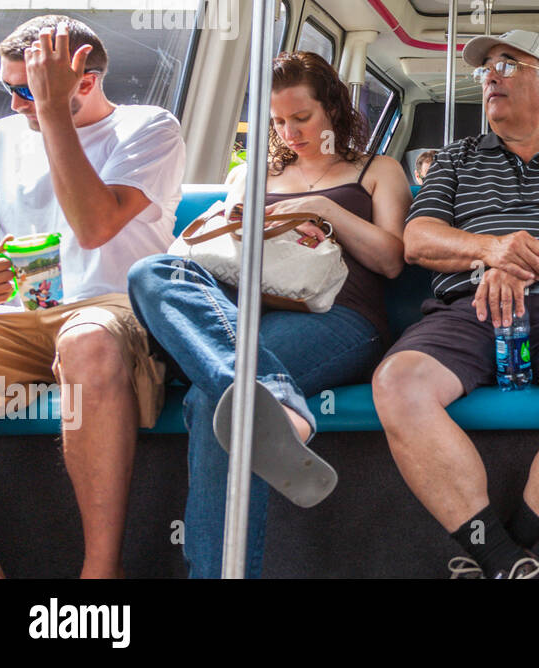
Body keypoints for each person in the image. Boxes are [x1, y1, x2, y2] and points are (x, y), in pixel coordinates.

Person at [128, 51, 411, 578]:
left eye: (301, 118)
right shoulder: (257, 172)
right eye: (278, 122)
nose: (290, 132)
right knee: (149, 272)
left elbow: (392, 261)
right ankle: (275, 397)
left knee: (217, 401)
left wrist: (325, 213)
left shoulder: (377, 172)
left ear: (331, 108)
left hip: (342, 320)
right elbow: (214, 249)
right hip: (248, 317)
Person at [373, 29, 539, 579]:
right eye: (484, 70)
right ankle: (507, 563)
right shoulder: (454, 159)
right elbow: (418, 239)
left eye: (506, 64)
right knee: (398, 384)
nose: (489, 76)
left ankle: (504, 553)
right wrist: (490, 249)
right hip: (466, 310)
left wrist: (527, 266)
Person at [0, 15, 184, 579]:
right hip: (18, 316)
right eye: (9, 89)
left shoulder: (149, 128)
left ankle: (100, 576)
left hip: (111, 306)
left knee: (87, 340)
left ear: (84, 82)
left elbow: (95, 226)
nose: (17, 104)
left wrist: (51, 115)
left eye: (28, 90)